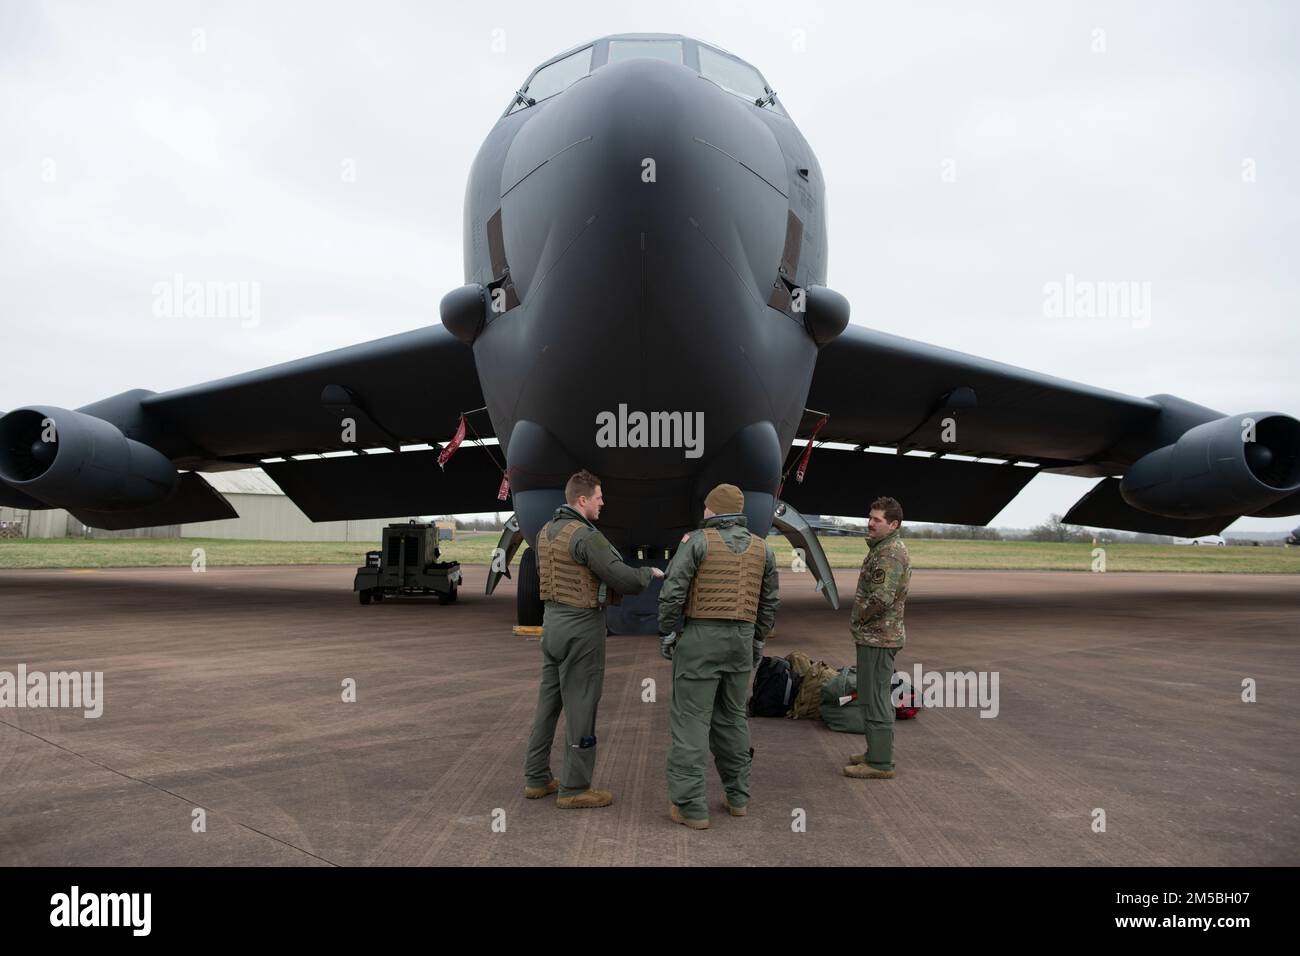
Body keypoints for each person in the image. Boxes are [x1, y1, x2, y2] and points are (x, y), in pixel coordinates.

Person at [523, 469, 663, 809]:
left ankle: (536, 778)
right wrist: (648, 573)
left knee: (548, 705)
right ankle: (575, 788)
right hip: (581, 627)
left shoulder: (545, 532)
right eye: (599, 498)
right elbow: (623, 579)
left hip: (552, 624)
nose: (603, 503)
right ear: (582, 500)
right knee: (582, 705)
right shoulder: (586, 536)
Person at [658, 483, 779, 829]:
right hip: (740, 643)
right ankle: (738, 797)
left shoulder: (697, 542)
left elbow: (673, 589)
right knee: (732, 719)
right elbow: (769, 602)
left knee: (691, 722)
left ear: (713, 509)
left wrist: (667, 630)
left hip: (700, 639)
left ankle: (691, 807)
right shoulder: (762, 549)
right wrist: (756, 641)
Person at [844, 496, 911, 780]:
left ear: (893, 524)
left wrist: (858, 616)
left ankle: (880, 763)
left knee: (875, 699)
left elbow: (881, 597)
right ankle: (874, 752)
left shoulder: (889, 554)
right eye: (870, 518)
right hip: (876, 636)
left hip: (878, 637)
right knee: (871, 695)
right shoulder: (883, 548)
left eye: (877, 520)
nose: (870, 524)